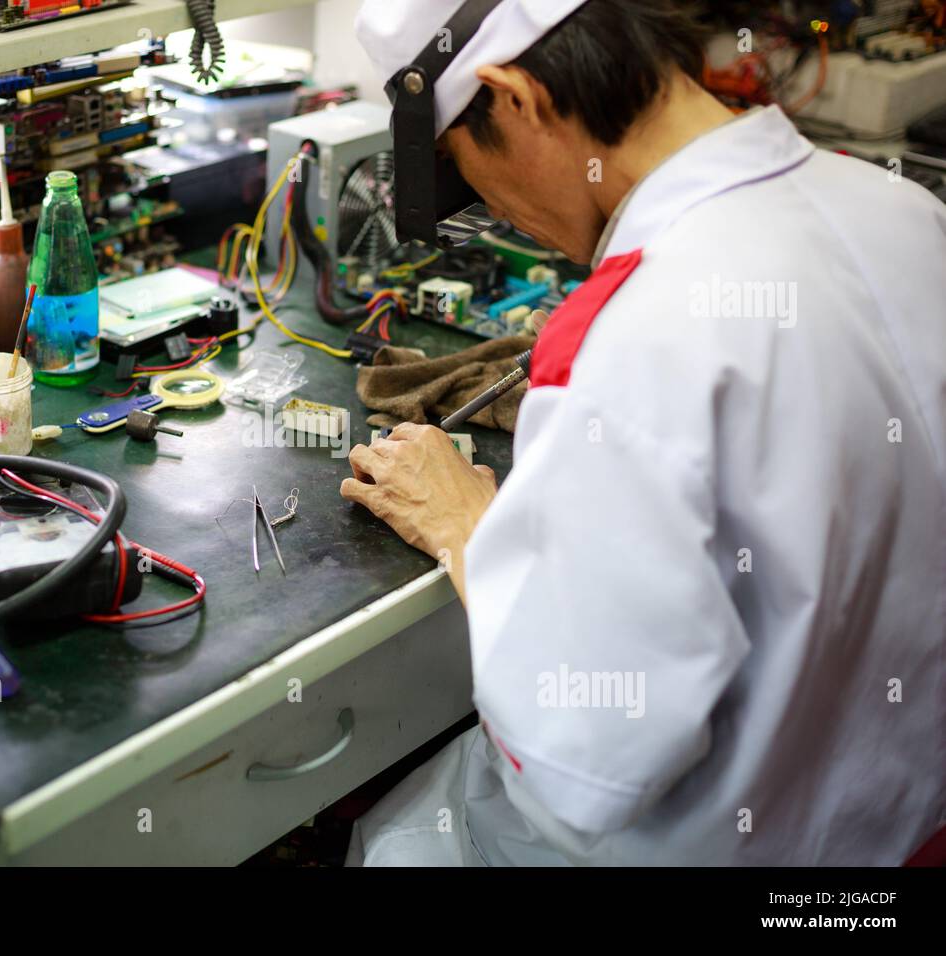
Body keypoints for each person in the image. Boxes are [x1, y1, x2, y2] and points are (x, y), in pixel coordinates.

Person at [341, 0, 946, 865]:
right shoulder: (901, 210)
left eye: (460, 167)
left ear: (515, 98)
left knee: (394, 840)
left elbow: (586, 764)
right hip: (900, 824)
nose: (496, 213)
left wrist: (468, 527)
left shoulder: (635, 332)